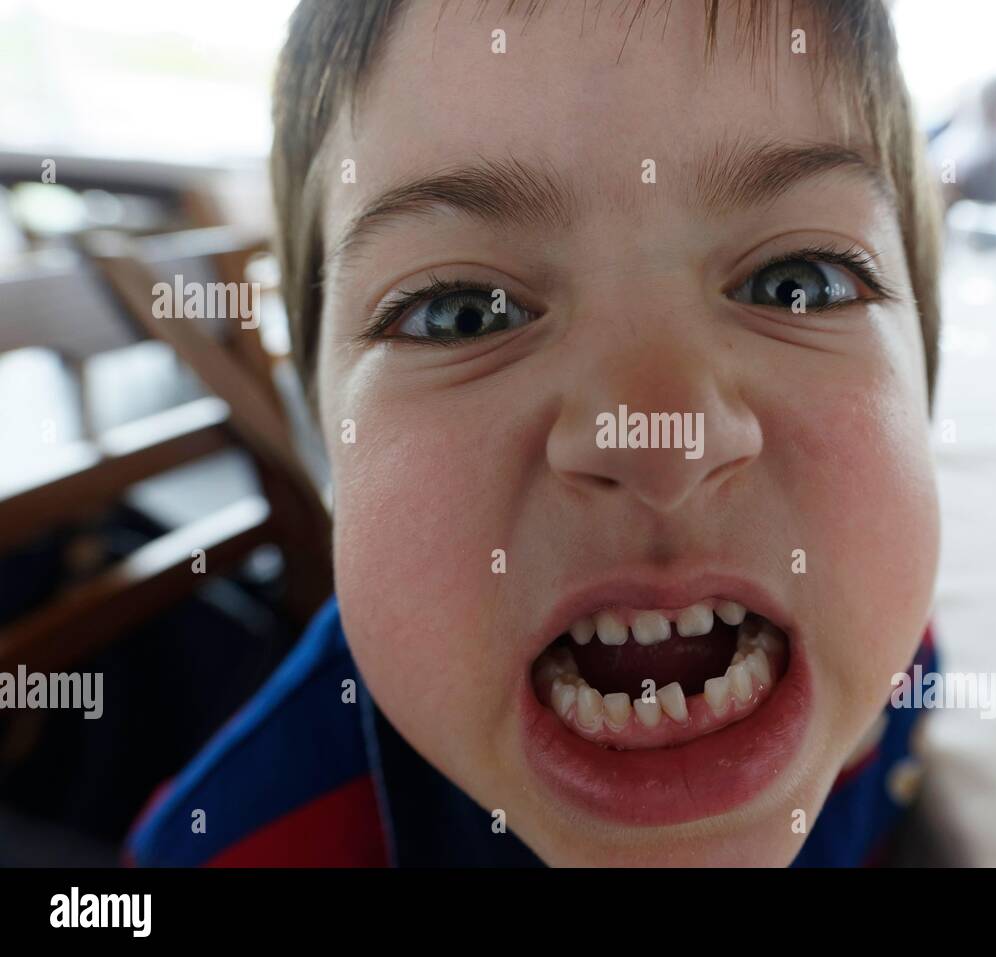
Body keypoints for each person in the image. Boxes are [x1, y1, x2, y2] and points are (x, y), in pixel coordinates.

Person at [126, 0, 945, 867]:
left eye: (798, 284)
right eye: (461, 315)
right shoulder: (242, 848)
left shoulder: (890, 653)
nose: (661, 442)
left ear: (926, 369)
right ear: (328, 439)